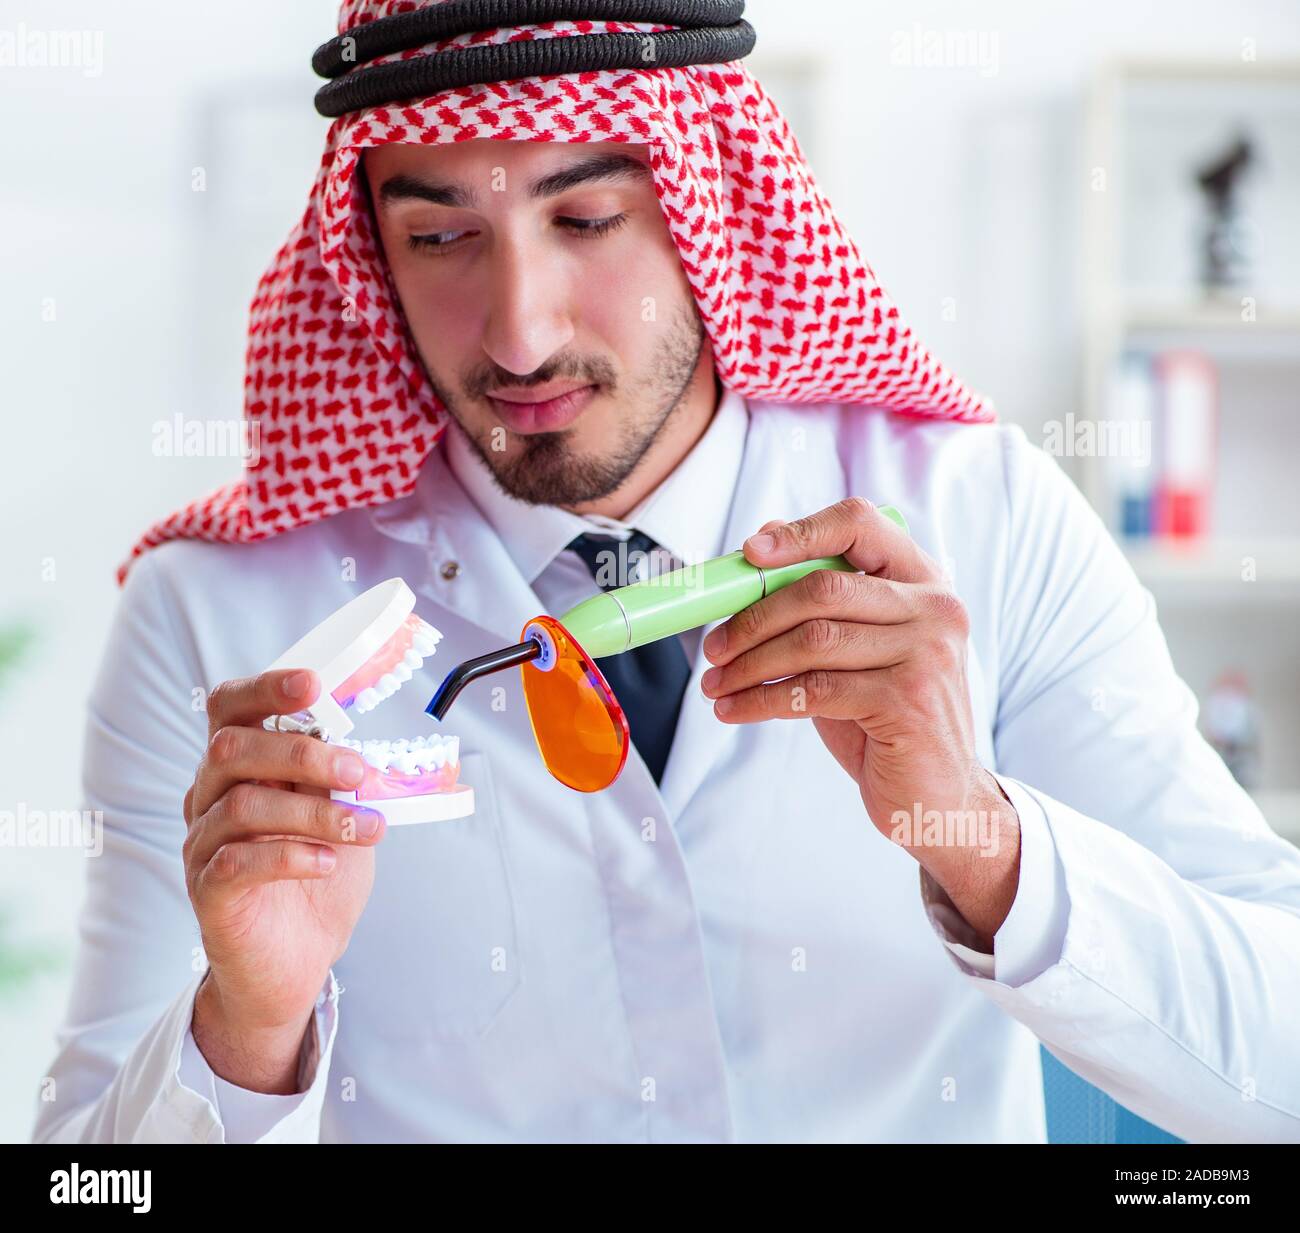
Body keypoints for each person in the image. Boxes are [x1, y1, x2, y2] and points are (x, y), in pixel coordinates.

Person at [35, 0, 1300, 1144]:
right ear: (368, 255)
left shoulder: (988, 521)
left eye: (586, 218)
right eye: (438, 237)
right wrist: (242, 1034)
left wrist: (983, 843)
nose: (521, 333)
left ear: (710, 202)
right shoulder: (213, 622)